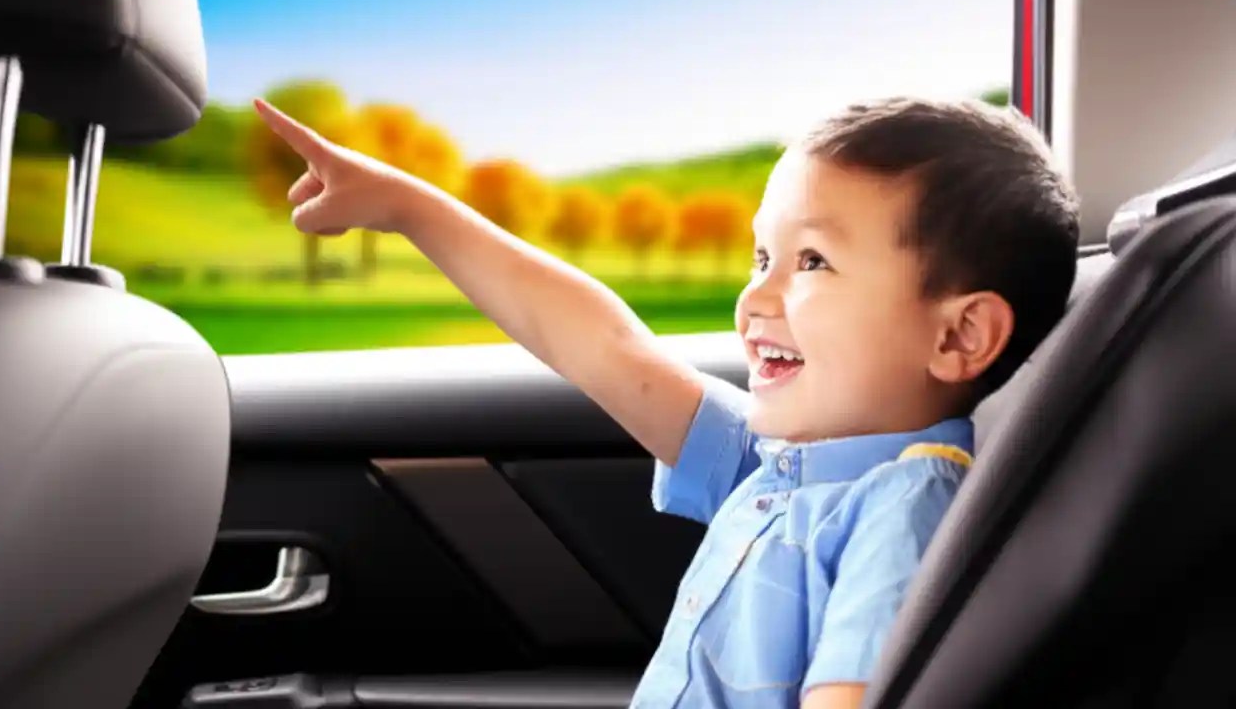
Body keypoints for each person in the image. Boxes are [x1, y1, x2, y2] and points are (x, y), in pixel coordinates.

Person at [253, 95, 1079, 709]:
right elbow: (602, 345)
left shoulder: (905, 508)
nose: (757, 298)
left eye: (813, 262)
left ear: (960, 338)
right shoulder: (776, 466)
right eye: (762, 255)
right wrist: (410, 208)